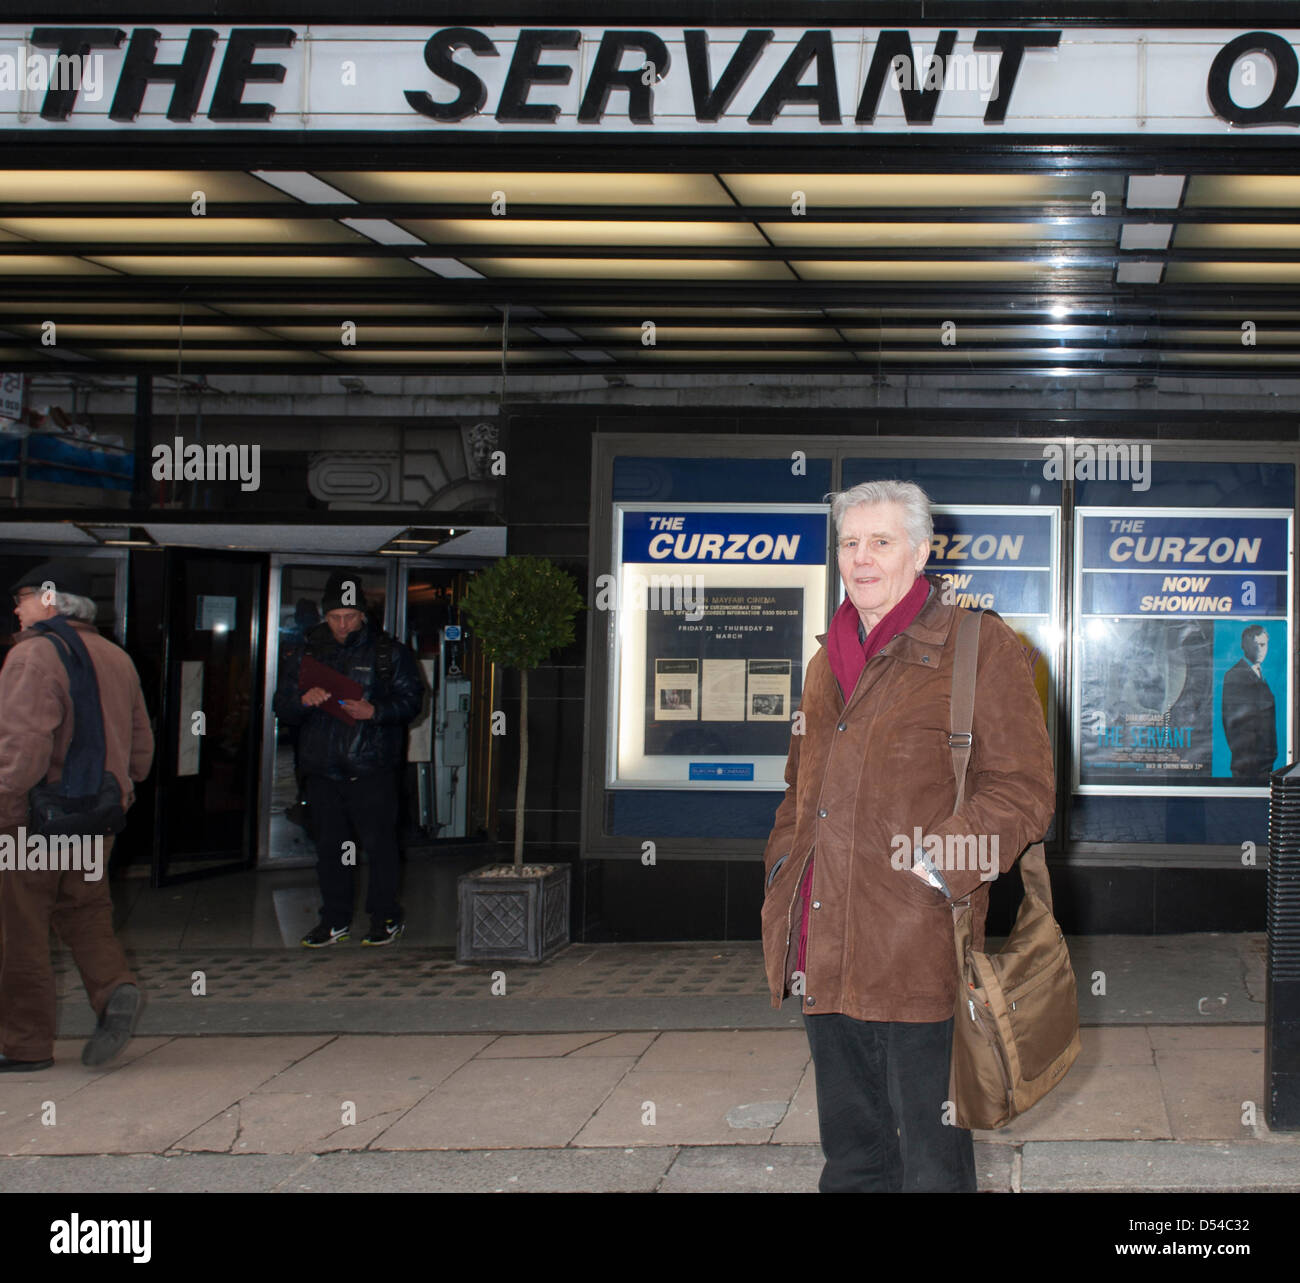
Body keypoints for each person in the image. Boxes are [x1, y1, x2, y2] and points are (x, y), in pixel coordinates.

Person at [760, 481, 1056, 1192]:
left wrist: (937, 868)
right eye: (850, 542)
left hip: (920, 955)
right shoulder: (823, 662)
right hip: (820, 950)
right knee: (854, 1161)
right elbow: (799, 791)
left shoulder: (980, 646)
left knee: (930, 1166)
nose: (862, 559)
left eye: (881, 541)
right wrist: (781, 873)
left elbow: (1024, 793)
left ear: (922, 551)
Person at [0, 561, 154, 1072]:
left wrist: (5, 807)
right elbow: (141, 748)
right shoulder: (115, 656)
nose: (16, 608)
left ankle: (23, 1046)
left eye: (21, 598)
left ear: (48, 599)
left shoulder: (34, 656)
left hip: (33, 820)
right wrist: (119, 798)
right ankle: (115, 991)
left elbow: (23, 747)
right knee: (85, 913)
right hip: (96, 818)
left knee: (19, 930)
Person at [273, 570, 423, 946]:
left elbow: (412, 701)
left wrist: (375, 711)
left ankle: (385, 916)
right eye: (335, 617)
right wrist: (300, 702)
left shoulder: (389, 652)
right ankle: (335, 918)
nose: (342, 625)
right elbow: (282, 706)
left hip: (372, 769)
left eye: (350, 616)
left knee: (380, 847)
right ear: (325, 616)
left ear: (363, 616)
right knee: (331, 850)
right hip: (323, 771)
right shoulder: (306, 652)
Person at [1222, 625, 1277, 783]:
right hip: (1249, 764)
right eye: (1255, 645)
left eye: (1263, 645)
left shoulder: (1260, 672)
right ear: (1244, 646)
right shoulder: (1235, 675)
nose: (1260, 650)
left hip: (1264, 762)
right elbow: (1231, 722)